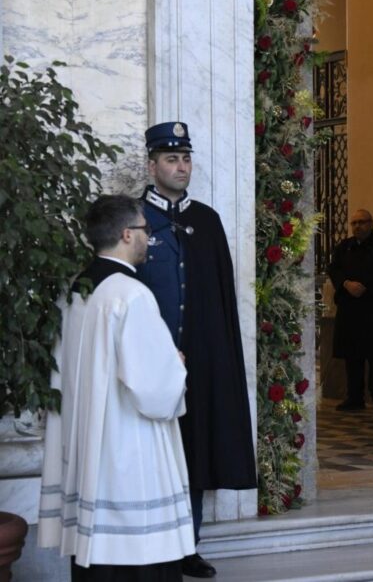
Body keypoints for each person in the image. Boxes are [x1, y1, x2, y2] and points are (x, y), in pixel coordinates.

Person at [38, 195, 194, 580]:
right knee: (138, 560)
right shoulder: (131, 294)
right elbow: (154, 392)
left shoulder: (78, 286)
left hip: (91, 451)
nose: (148, 238)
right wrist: (175, 365)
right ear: (127, 234)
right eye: (145, 230)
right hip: (129, 458)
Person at [136, 122, 256, 578]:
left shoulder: (206, 221)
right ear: (152, 165)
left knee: (195, 450)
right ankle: (149, 544)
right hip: (150, 362)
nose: (181, 167)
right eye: (171, 159)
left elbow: (222, 297)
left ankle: (188, 546)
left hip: (201, 362)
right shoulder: (134, 221)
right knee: (151, 453)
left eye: (186, 158)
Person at [327, 209, 373, 411]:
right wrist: (346, 284)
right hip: (350, 308)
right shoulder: (344, 246)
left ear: (371, 223)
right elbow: (334, 269)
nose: (358, 226)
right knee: (352, 355)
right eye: (354, 223)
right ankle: (354, 397)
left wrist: (363, 285)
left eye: (362, 222)